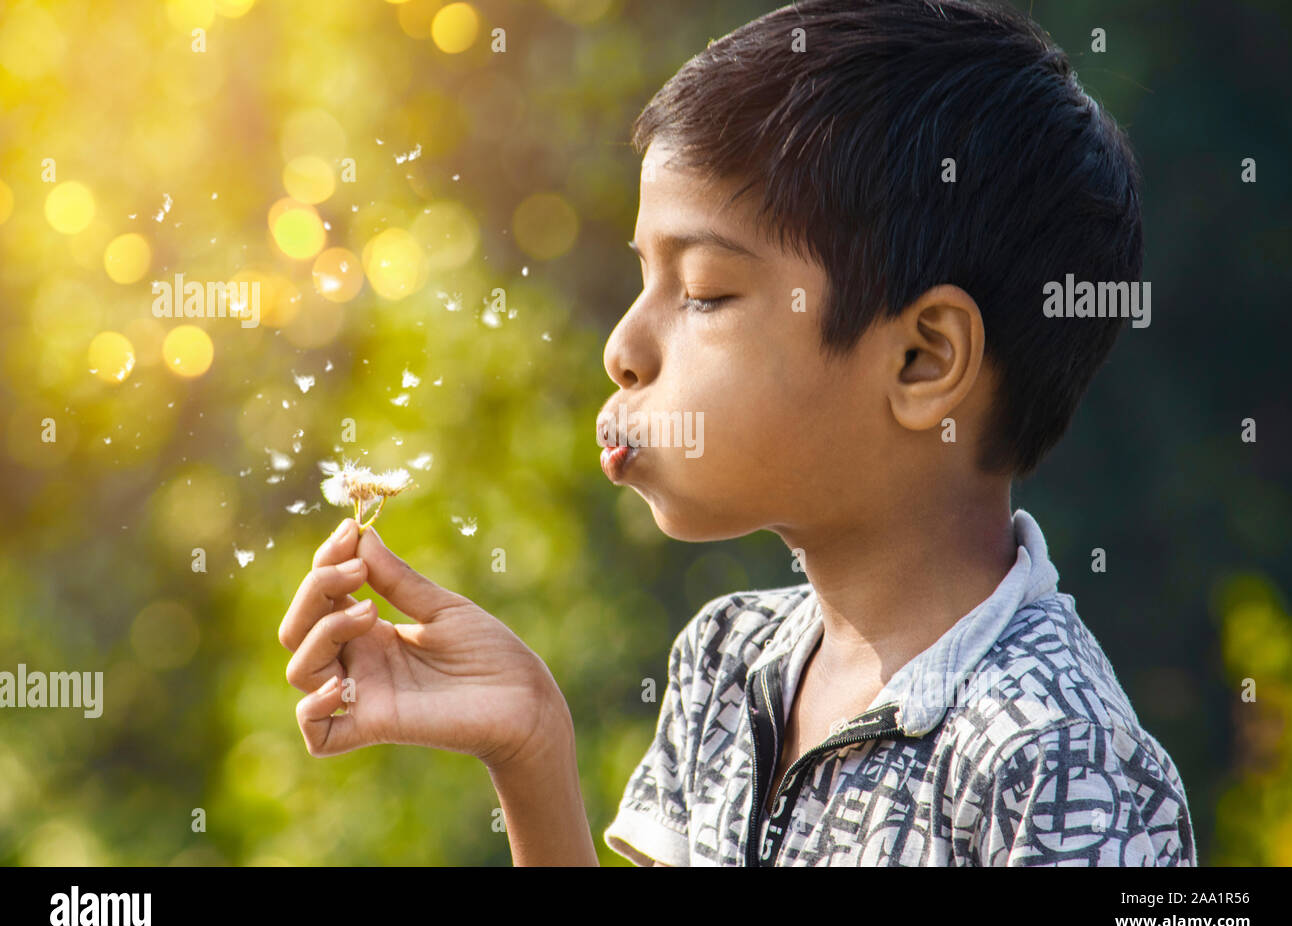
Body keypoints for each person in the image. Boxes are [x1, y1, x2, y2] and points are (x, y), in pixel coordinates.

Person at [278, 0, 1195, 866]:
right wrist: (531, 745)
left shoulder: (1062, 763)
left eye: (705, 292)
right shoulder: (728, 662)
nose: (623, 349)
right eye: (643, 277)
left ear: (922, 361)